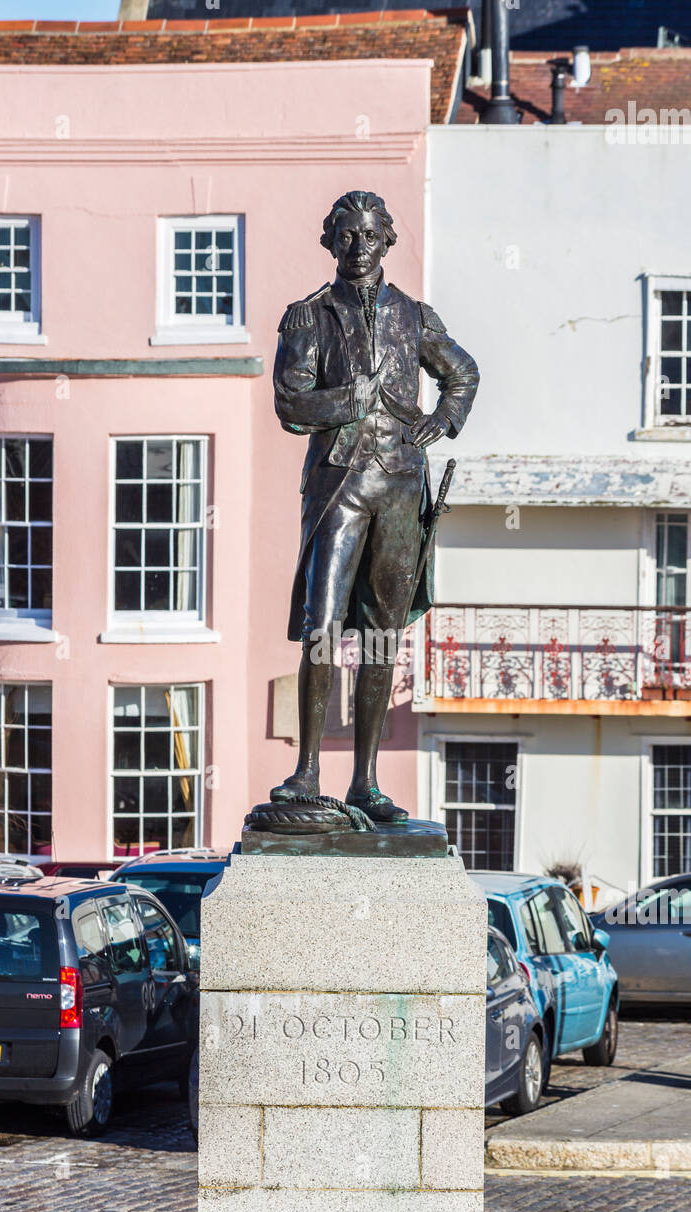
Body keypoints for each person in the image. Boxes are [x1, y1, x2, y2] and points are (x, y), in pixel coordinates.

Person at [271, 190, 479, 823]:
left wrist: (443, 417)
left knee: (384, 636)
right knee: (322, 626)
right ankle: (306, 770)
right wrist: (347, 401)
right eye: (347, 236)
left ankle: (365, 781)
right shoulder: (307, 317)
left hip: (399, 488)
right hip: (338, 485)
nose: (358, 247)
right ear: (332, 242)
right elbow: (290, 405)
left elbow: (462, 373)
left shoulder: (414, 316)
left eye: (370, 236)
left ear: (387, 241)